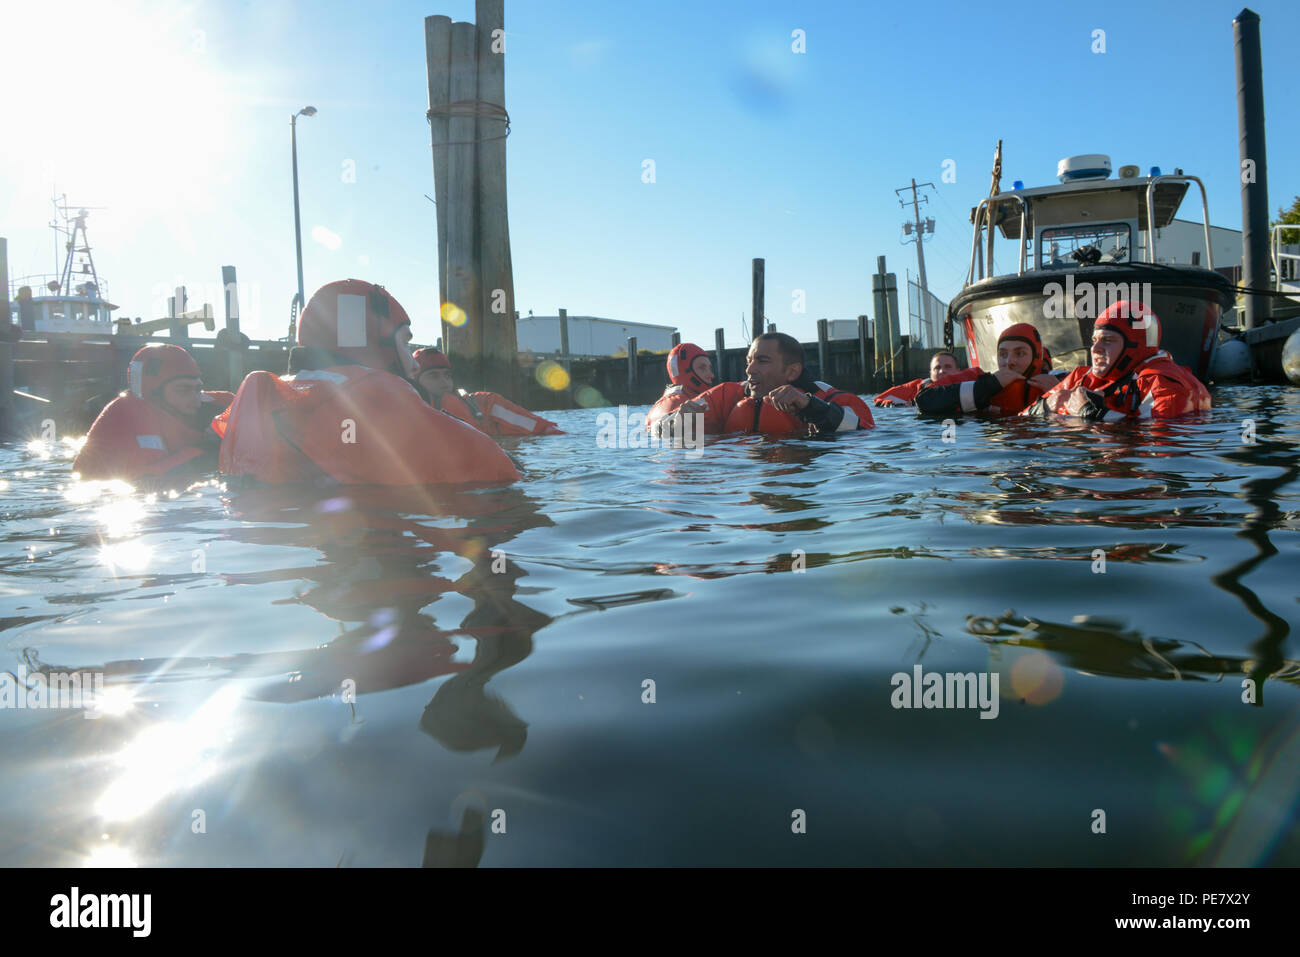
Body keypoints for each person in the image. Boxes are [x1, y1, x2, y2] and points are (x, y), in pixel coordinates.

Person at [214, 279, 520, 485]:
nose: (414, 363)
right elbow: (501, 473)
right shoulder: (376, 398)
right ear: (371, 345)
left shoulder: (269, 398)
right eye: (404, 344)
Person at [1024, 300, 1211, 420]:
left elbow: (1159, 448)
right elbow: (1024, 416)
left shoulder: (1165, 384)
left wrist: (1089, 413)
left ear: (1135, 346)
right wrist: (1048, 404)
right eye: (1094, 341)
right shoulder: (1081, 377)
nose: (1095, 349)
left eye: (1107, 341)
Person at [73, 343, 234, 481]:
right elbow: (150, 480)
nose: (195, 399)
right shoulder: (128, 413)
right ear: (154, 393)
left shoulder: (193, 403)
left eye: (198, 389)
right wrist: (209, 445)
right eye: (183, 390)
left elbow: (241, 403)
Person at [683, 332, 874, 435]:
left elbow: (864, 433)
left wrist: (810, 407)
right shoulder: (725, 395)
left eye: (762, 361)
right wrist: (677, 422)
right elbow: (660, 432)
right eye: (749, 361)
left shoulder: (830, 397)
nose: (750, 370)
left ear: (792, 372)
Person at [914, 323, 1060, 417]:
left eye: (1019, 353)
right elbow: (924, 400)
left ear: (1036, 357)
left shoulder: (1059, 383)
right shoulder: (979, 379)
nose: (1009, 362)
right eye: (1003, 354)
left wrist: (1059, 393)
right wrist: (988, 386)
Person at [412, 347, 562, 436]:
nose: (444, 382)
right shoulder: (405, 415)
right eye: (433, 376)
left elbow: (542, 429)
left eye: (447, 375)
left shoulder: (484, 404)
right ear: (415, 381)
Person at [645, 342, 715, 427]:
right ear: (686, 371)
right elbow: (657, 426)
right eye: (702, 368)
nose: (711, 375)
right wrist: (676, 421)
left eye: (709, 368)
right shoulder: (673, 402)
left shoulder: (705, 398)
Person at [873, 351, 962, 407]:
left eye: (948, 367)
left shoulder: (971, 387)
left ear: (958, 372)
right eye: (937, 368)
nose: (942, 371)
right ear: (930, 373)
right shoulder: (915, 388)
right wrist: (893, 405)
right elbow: (879, 401)